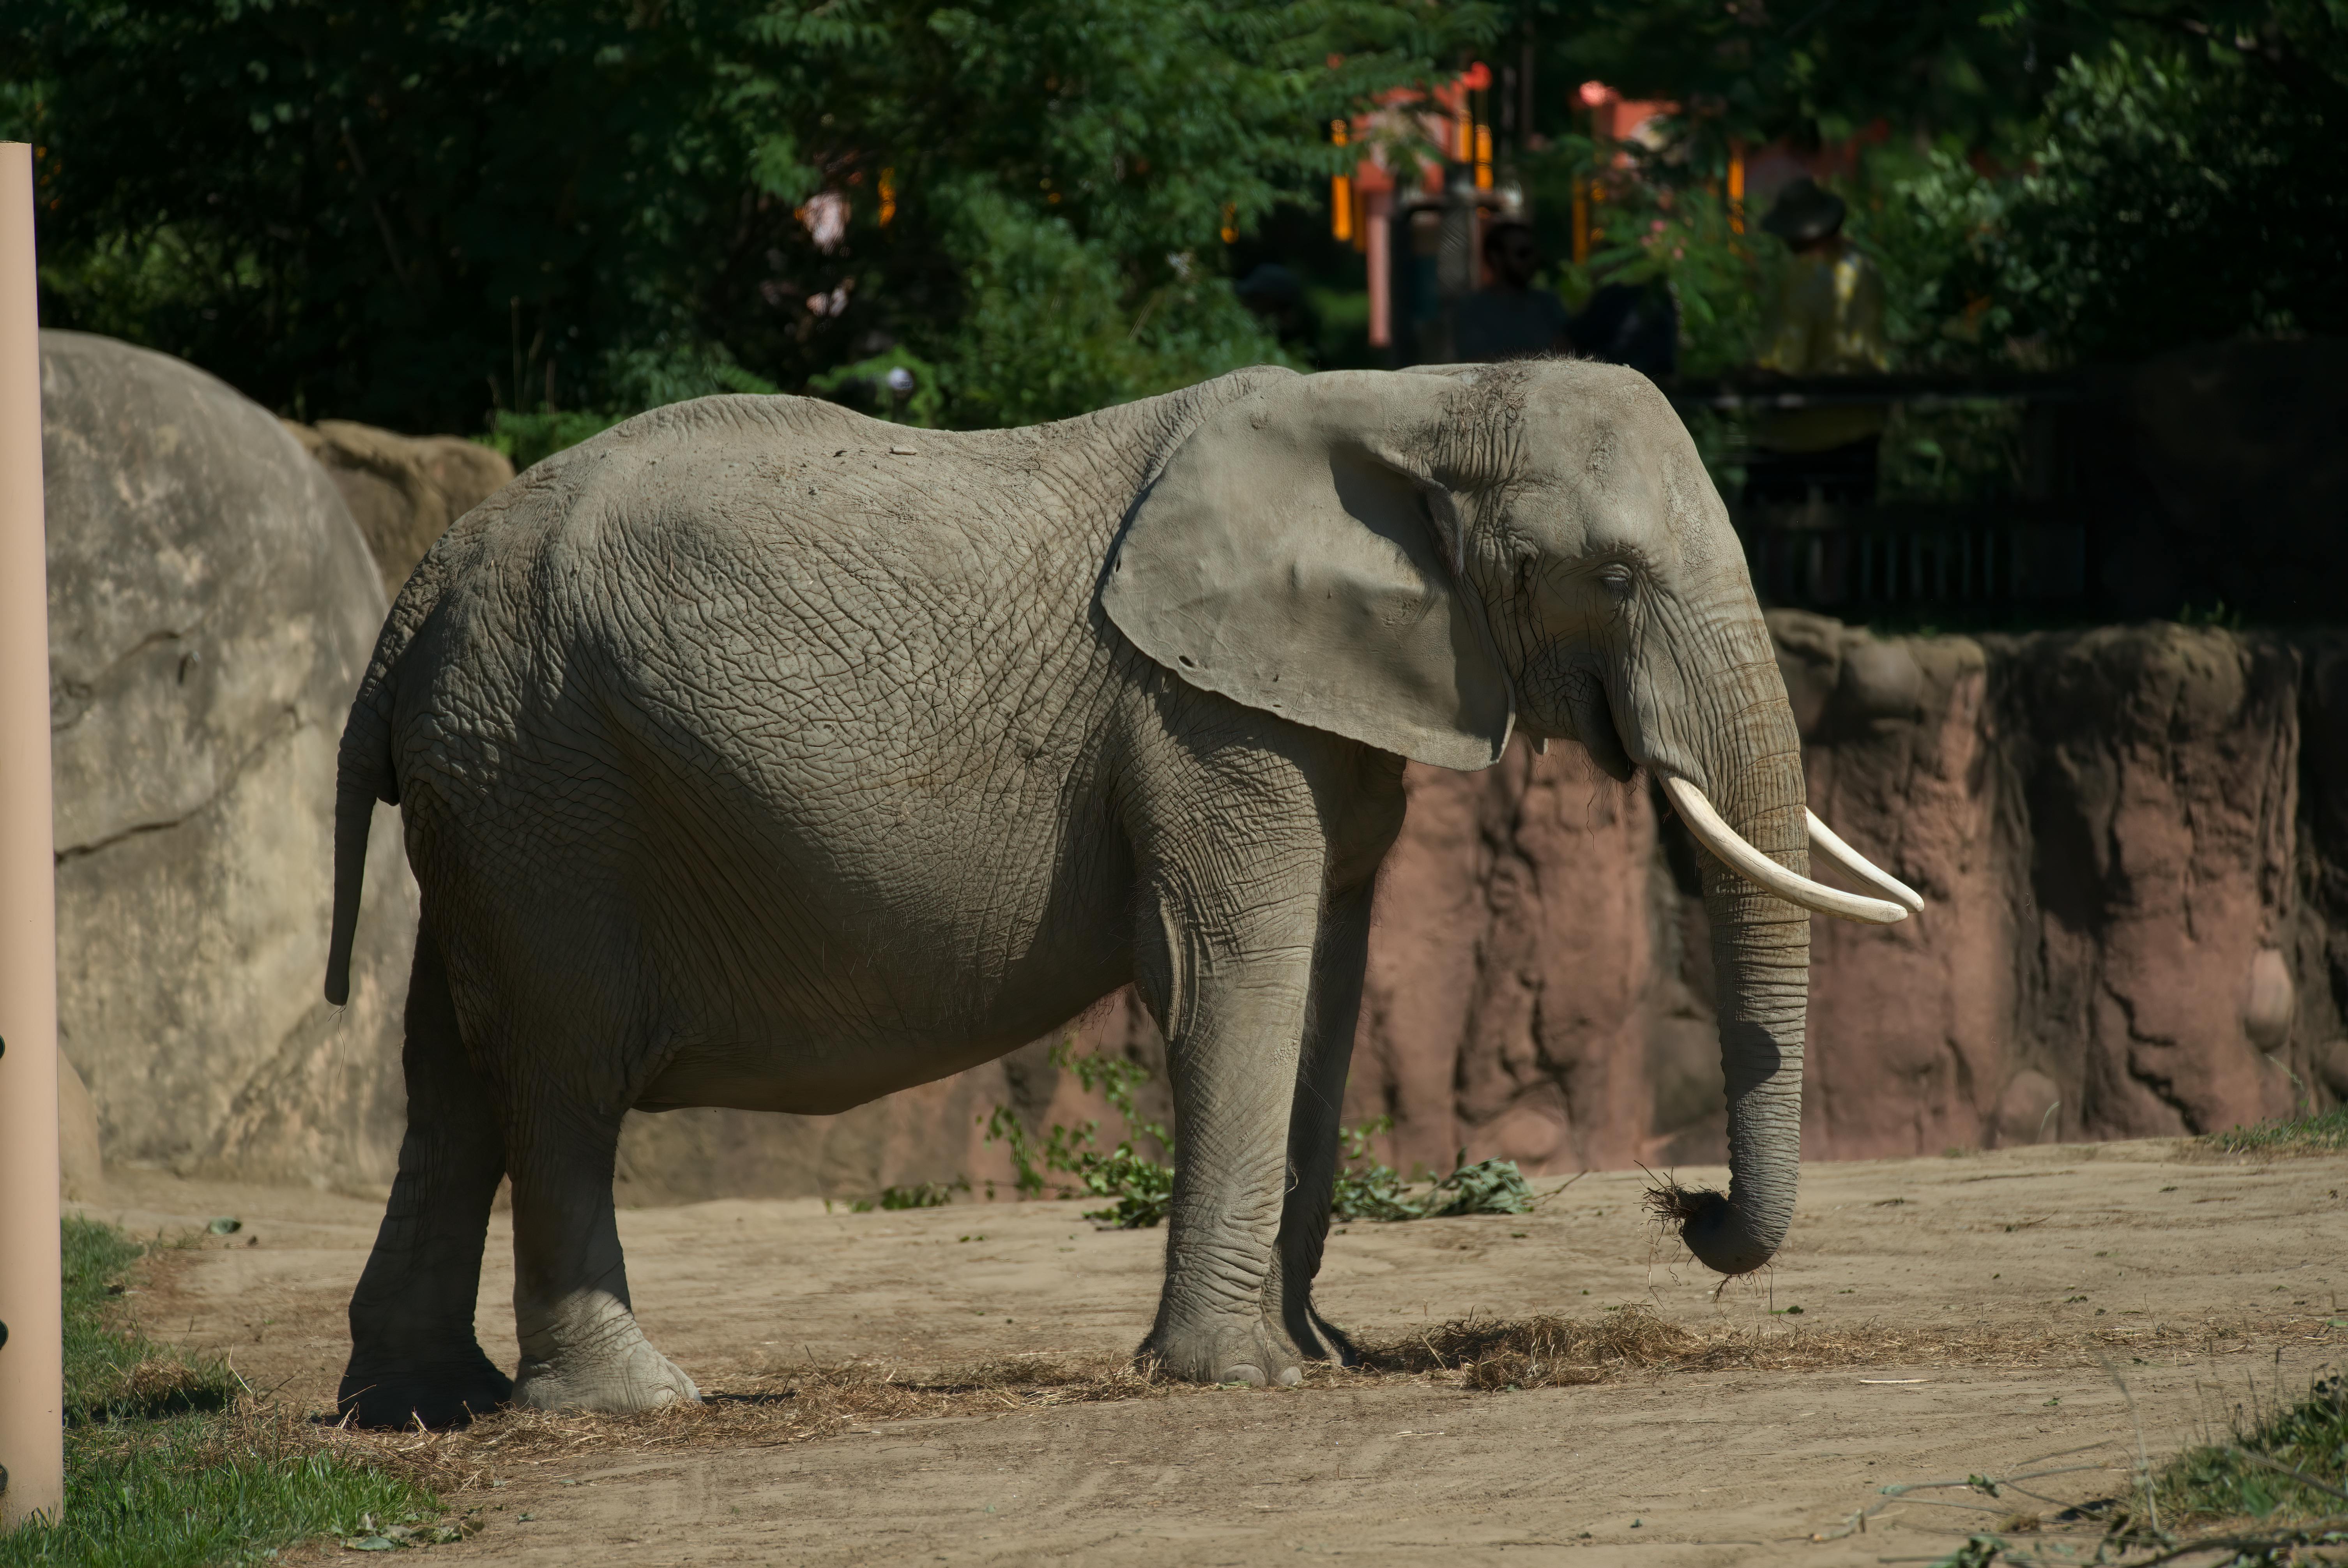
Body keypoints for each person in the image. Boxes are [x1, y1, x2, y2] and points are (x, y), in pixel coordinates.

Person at [1743, 177, 1890, 509]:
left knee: (1768, 525)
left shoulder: (1799, 276)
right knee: (1844, 531)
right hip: (1861, 424)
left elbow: (1784, 361)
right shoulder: (1865, 270)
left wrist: (1749, 375)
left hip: (1798, 436)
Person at [1452, 221, 1571, 362]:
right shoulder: (1473, 309)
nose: (1532, 261)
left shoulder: (1548, 303)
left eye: (1534, 253)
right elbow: (1477, 362)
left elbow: (1568, 353)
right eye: (1522, 254)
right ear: (1496, 258)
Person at [1567, 277, 1679, 381]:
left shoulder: (1613, 295)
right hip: (1647, 381)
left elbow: (1567, 342)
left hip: (1607, 379)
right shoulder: (1664, 300)